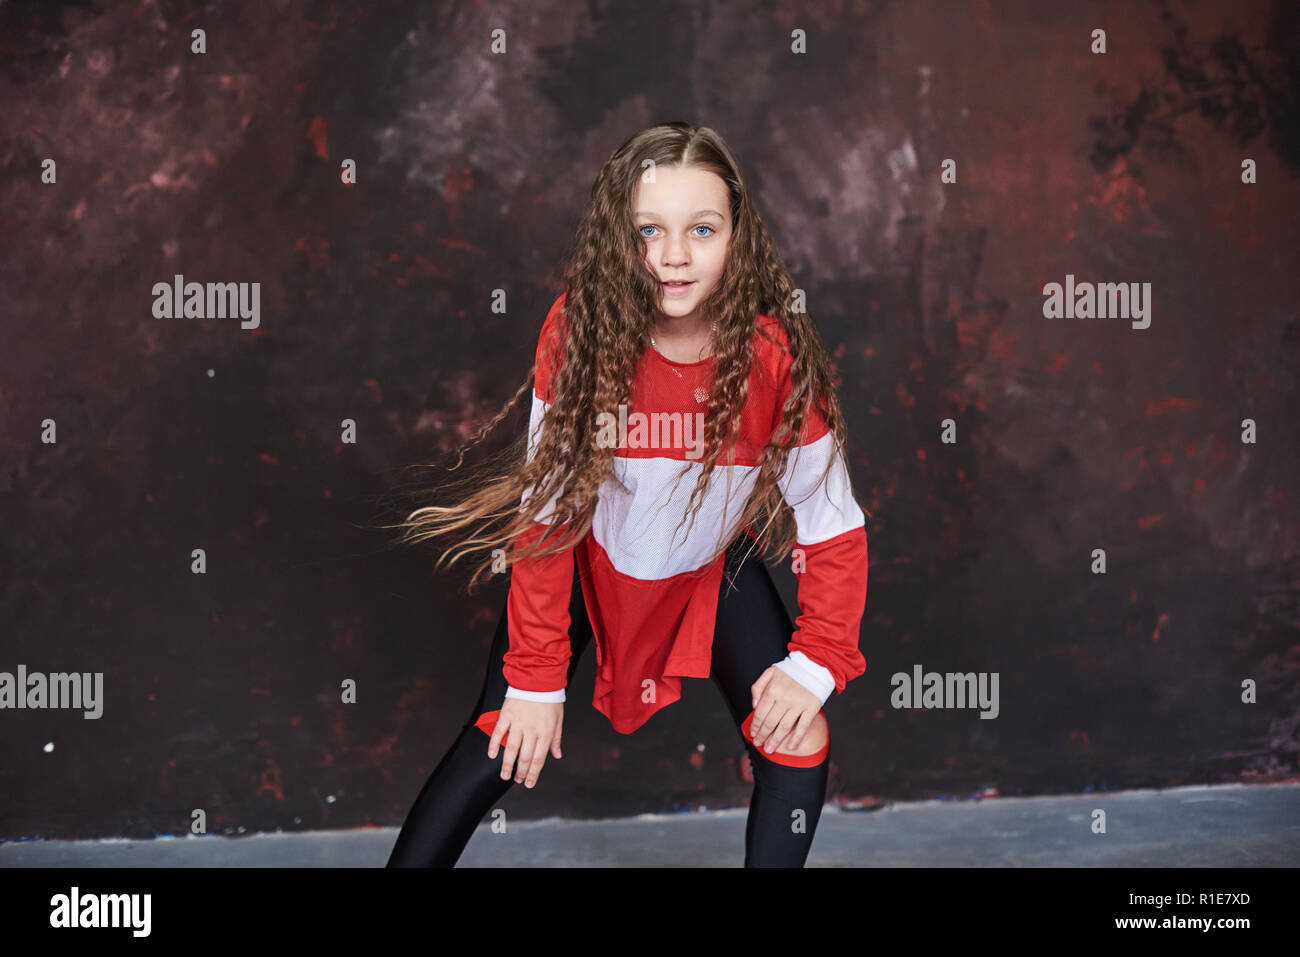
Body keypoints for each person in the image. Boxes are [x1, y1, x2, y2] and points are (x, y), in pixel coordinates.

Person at [386, 122, 870, 867]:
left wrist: (817, 661)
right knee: (501, 735)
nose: (675, 255)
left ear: (737, 237)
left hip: (710, 569)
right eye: (650, 231)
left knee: (797, 736)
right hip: (584, 558)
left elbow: (833, 525)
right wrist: (537, 678)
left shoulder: (772, 357)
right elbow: (548, 511)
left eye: (701, 229)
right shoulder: (579, 332)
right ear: (619, 238)